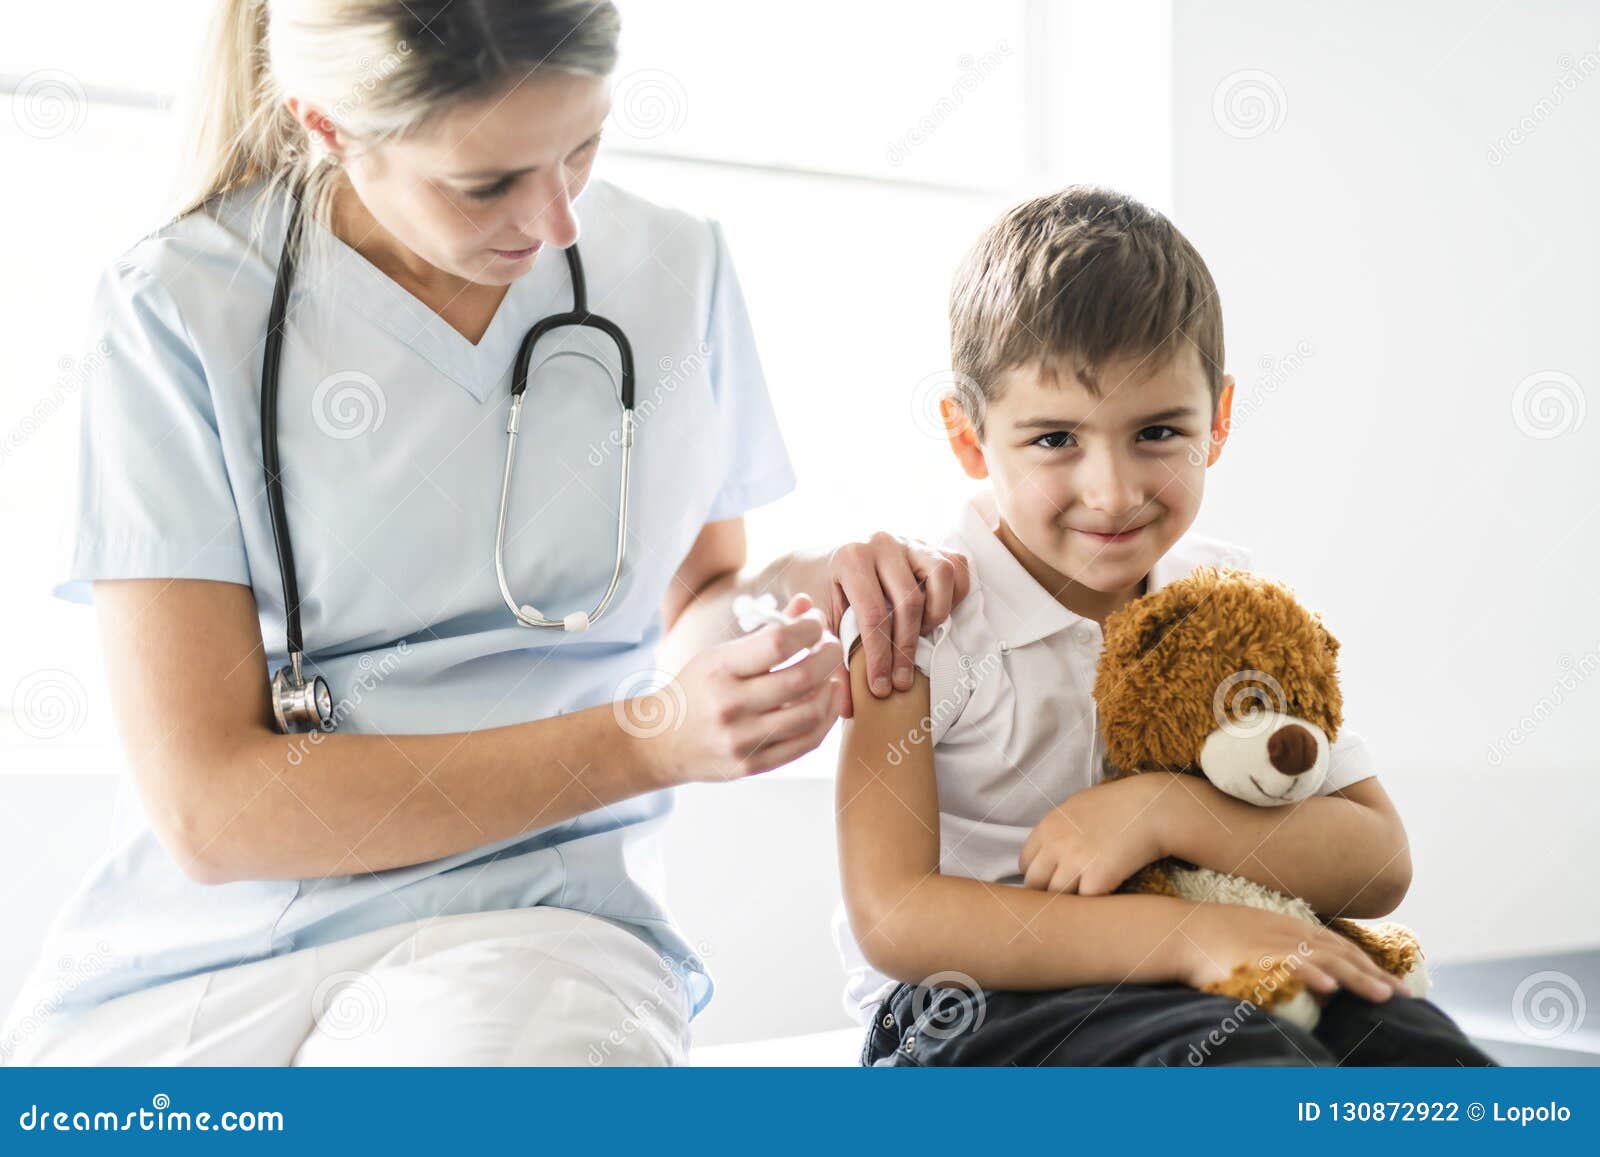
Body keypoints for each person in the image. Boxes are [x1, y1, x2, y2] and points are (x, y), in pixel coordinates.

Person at [0, 0, 967, 1067]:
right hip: (205, 949)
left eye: (583, 146)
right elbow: (211, 809)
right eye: (487, 183)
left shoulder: (674, 270)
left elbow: (696, 596)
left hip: (532, 915)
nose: (556, 222)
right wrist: (648, 738)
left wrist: (800, 602)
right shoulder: (177, 305)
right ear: (326, 125)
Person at [832, 185, 1495, 1066]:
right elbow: (895, 915)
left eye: (1156, 431)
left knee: (1426, 1059)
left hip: (1208, 960)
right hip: (972, 1000)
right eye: (1055, 439)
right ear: (968, 436)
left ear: (1216, 422)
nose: (1112, 491)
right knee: (1247, 1074)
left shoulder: (1224, 599)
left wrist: (1164, 809)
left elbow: (1378, 861)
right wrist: (1181, 935)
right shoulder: (920, 617)